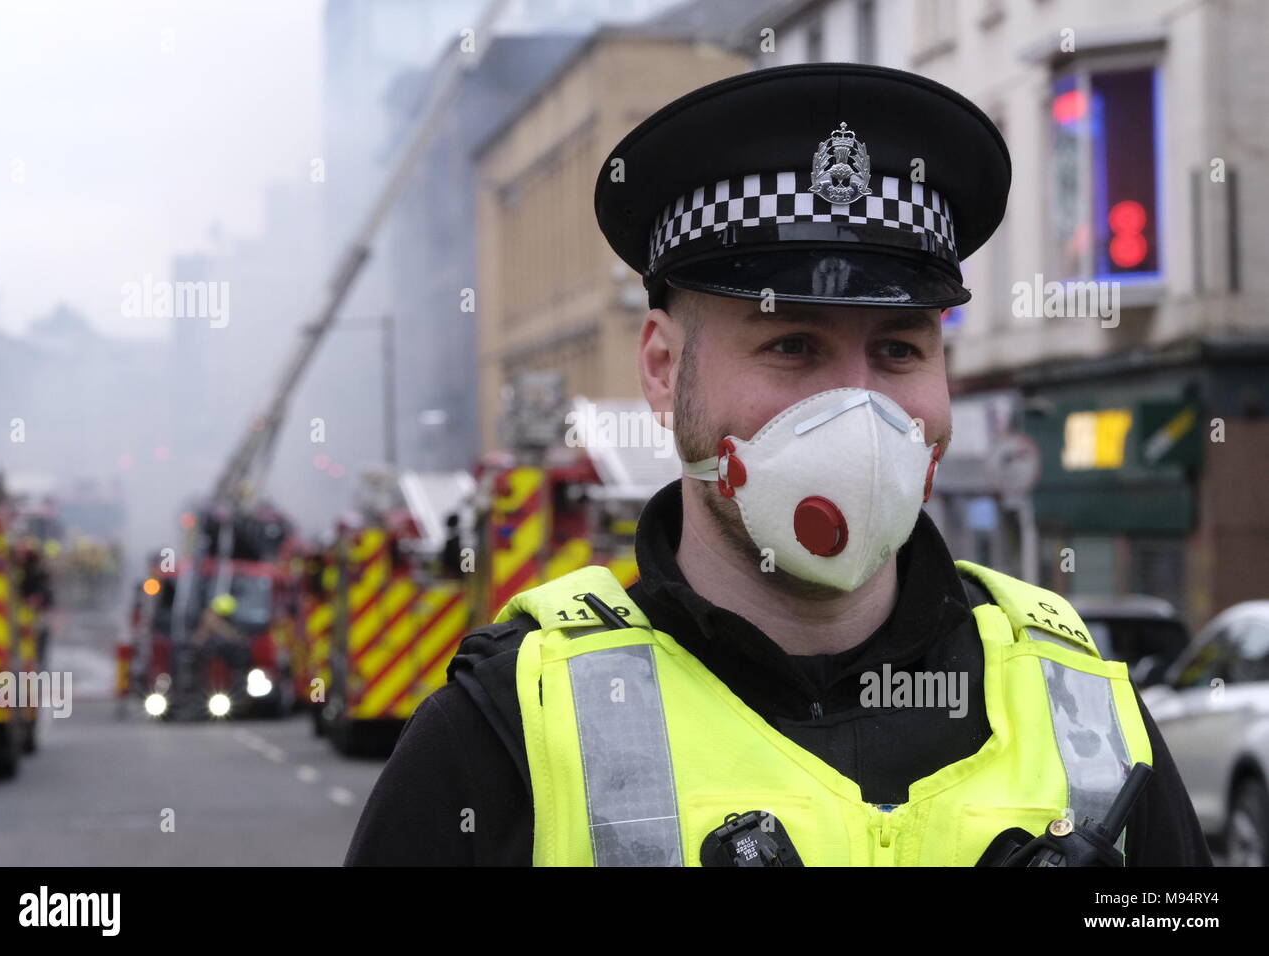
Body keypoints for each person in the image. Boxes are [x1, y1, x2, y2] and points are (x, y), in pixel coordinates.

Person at [345, 63, 1211, 866]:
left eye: (900, 350)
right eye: (792, 346)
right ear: (661, 369)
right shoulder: (502, 739)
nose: (858, 409)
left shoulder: (1085, 712)